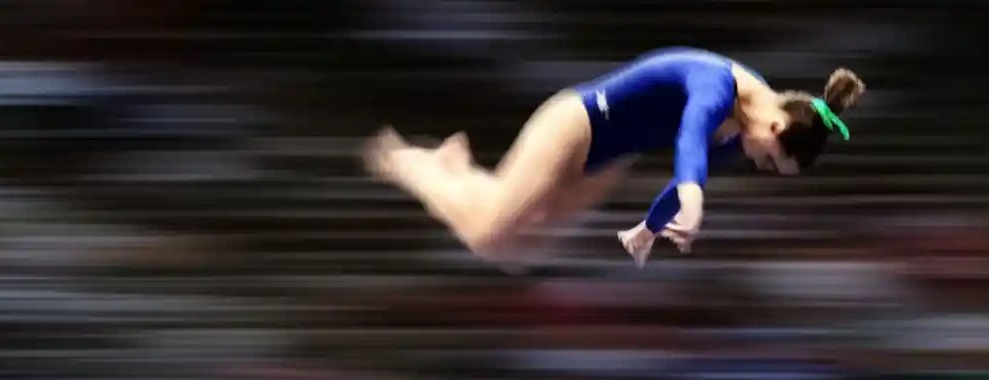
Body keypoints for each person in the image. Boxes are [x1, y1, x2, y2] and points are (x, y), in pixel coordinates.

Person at [363, 47, 864, 269]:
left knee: (519, 254)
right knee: (488, 233)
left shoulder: (750, 127)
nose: (762, 166)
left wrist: (649, 228)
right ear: (776, 127)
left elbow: (699, 169)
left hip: (608, 156)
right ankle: (420, 164)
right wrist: (693, 201)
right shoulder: (717, 85)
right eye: (773, 160)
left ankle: (457, 169)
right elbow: (690, 143)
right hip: (574, 126)